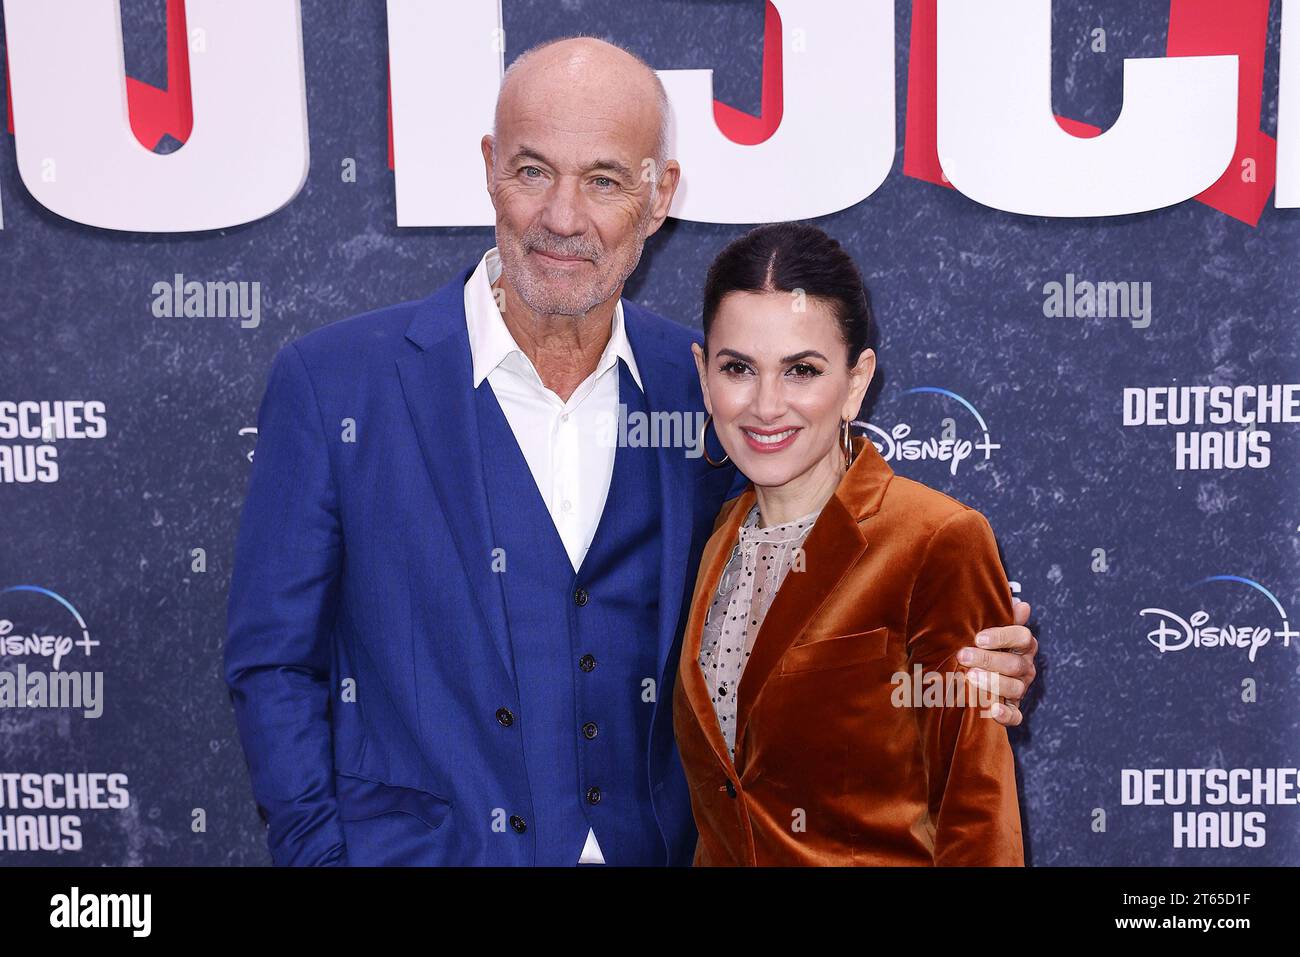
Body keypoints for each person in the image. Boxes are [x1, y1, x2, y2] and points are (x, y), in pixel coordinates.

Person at [224, 36, 1037, 867]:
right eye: (534, 171)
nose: (564, 218)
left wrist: (968, 644)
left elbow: (838, 560)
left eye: (605, 180)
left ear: (659, 198)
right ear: (489, 169)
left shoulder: (710, 392)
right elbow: (273, 663)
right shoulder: (336, 386)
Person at [674, 222, 1024, 865]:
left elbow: (977, 814)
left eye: (801, 370)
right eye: (738, 369)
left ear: (856, 382)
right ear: (704, 375)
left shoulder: (934, 542)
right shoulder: (713, 539)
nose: (766, 405)